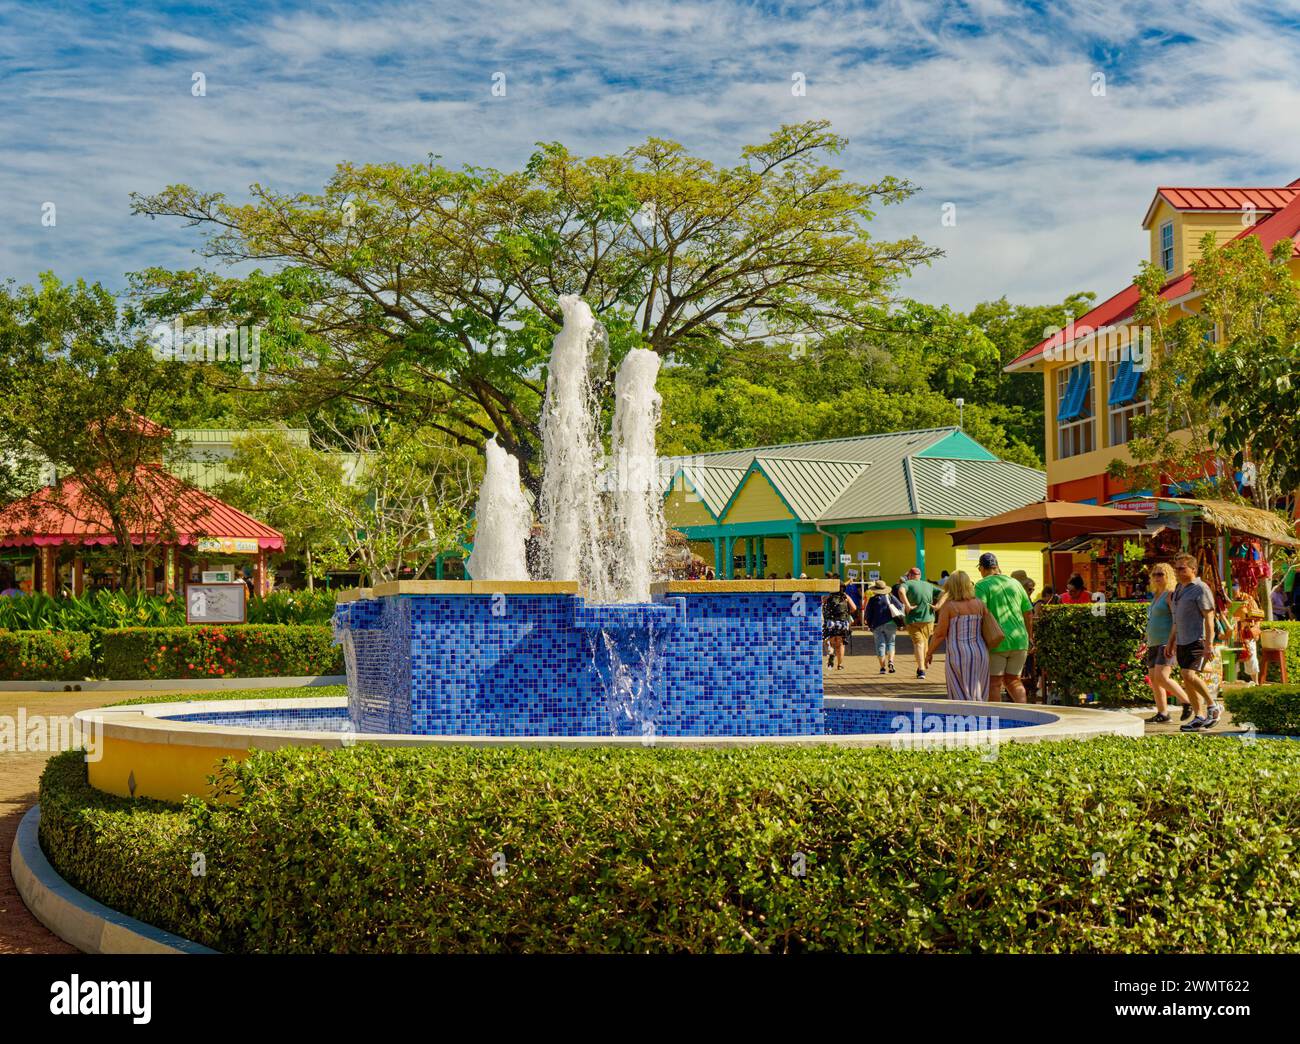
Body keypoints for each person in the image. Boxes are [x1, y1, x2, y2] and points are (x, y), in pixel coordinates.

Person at [1167, 552, 1219, 731]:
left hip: (1197, 639)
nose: (1178, 571)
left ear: (1193, 569)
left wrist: (1209, 644)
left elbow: (1209, 617)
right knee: (1186, 679)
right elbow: (1176, 620)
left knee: (1190, 675)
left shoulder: (1201, 588)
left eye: (1182, 568)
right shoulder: (1179, 589)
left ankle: (1213, 706)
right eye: (1176, 568)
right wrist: (1171, 641)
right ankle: (1199, 716)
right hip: (1181, 640)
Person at [973, 552, 1034, 704]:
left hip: (997, 641)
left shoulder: (982, 585)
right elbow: (1028, 613)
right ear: (997, 567)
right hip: (1020, 639)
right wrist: (1030, 637)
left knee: (994, 683)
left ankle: (996, 718)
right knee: (1013, 680)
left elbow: (980, 611)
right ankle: (1024, 714)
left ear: (982, 568)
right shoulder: (1015, 583)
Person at [927, 571, 991, 701]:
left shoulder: (950, 606)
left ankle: (966, 720)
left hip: (959, 654)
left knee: (961, 696)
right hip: (980, 652)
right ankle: (981, 719)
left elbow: (940, 634)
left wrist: (929, 652)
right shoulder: (979, 604)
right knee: (979, 694)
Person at [1143, 563, 1192, 723]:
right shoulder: (1156, 595)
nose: (1156, 577)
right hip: (1153, 642)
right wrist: (1144, 641)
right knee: (1154, 679)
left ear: (1168, 576)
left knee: (1162, 677)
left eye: (1160, 574)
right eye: (1154, 574)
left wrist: (1174, 641)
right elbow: (1152, 620)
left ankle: (1187, 701)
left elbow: (1177, 619)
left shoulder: (1170, 594)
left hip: (1166, 642)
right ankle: (1163, 713)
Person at [899, 566, 944, 680]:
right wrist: (938, 606)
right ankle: (923, 663)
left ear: (909, 576)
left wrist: (908, 605)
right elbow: (945, 593)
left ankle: (921, 669)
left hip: (913, 619)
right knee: (924, 641)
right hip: (929, 619)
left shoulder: (907, 583)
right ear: (919, 576)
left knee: (919, 643)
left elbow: (900, 591)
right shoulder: (928, 585)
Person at [864, 579, 904, 674]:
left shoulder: (873, 600)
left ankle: (882, 668)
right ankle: (891, 661)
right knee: (891, 643)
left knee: (880, 645)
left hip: (877, 625)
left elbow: (868, 614)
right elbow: (900, 606)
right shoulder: (890, 597)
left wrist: (870, 625)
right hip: (891, 624)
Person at [1232, 583, 1265, 685]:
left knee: (1251, 658)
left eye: (1235, 587)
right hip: (1232, 633)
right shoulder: (1225, 598)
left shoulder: (1248, 598)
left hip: (1246, 633)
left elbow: (1258, 616)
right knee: (1233, 659)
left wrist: (1256, 631)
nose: (1234, 590)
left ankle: (1255, 683)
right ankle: (1232, 684)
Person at [822, 582, 857, 671]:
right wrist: (846, 612)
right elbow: (854, 608)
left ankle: (830, 653)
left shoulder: (828, 596)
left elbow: (820, 604)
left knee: (829, 641)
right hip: (843, 623)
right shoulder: (845, 596)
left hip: (831, 623)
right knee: (840, 644)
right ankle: (840, 664)